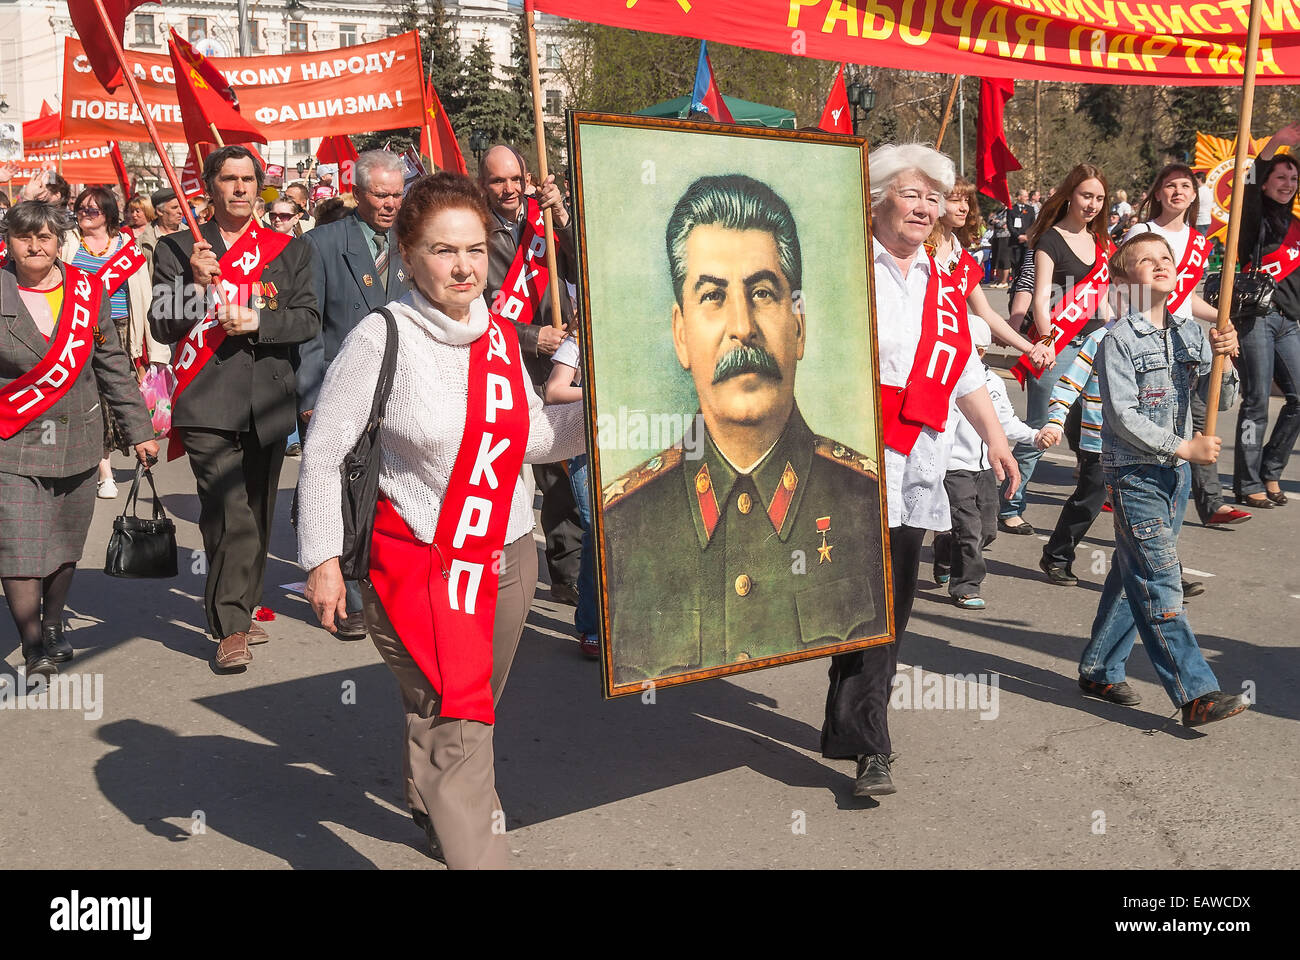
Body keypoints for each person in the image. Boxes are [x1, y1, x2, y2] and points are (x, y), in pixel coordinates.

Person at [297, 172, 584, 868]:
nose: (463, 267)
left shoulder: (494, 336)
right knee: (462, 726)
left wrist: (604, 416)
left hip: (511, 555)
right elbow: (324, 453)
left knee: (454, 706)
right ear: (406, 253)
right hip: (422, 563)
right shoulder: (380, 337)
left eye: (476, 250)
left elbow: (531, 440)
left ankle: (429, 802)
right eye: (442, 250)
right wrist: (321, 560)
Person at [602, 173, 889, 683]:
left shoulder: (863, 500)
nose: (742, 325)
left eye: (762, 292)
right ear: (680, 334)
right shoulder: (627, 519)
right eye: (712, 296)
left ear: (798, 327)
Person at [822, 144, 1019, 798]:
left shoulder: (940, 276)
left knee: (892, 599)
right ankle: (870, 740)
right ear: (878, 198)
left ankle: (852, 720)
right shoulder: (848, 267)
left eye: (933, 197)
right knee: (866, 594)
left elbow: (963, 368)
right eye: (912, 194)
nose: (925, 206)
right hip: (851, 447)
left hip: (918, 456)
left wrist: (995, 438)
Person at [150, 144, 320, 671]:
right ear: (210, 186)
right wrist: (192, 286)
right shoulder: (178, 249)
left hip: (268, 400)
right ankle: (232, 628)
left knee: (254, 514)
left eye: (250, 179)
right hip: (206, 401)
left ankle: (237, 606)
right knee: (230, 511)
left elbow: (308, 320)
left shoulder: (289, 249)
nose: (241, 188)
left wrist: (259, 324)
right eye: (230, 179)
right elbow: (162, 323)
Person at [1079, 231, 1248, 728]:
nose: (1158, 264)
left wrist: (1227, 357)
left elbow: (1223, 400)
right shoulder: (1118, 339)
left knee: (1132, 570)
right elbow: (1123, 414)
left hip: (1173, 478)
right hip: (1135, 475)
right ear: (1125, 277)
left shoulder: (1192, 331)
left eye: (1165, 257)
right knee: (1159, 580)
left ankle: (1099, 667)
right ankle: (1195, 692)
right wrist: (1183, 447)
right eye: (1145, 260)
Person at [0, 201, 157, 680]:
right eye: (24, 237)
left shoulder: (86, 290)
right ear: (8, 242)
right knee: (20, 546)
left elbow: (114, 369)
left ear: (58, 241)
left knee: (65, 544)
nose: (35, 246)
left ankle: (52, 625)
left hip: (80, 438)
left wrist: (140, 432)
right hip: (14, 441)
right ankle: (32, 645)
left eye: (44, 237)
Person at [295, 149, 409, 640]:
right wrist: (311, 394)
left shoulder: (413, 240)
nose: (390, 205)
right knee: (342, 495)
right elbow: (309, 328)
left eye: (397, 195)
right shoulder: (323, 244)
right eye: (380, 195)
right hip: (340, 388)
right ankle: (349, 597)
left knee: (391, 491)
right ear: (358, 193)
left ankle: (390, 588)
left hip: (401, 388)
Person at [479, 144, 584, 604]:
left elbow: (587, 263)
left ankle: (568, 573)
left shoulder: (545, 219)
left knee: (560, 474)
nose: (508, 189)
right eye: (498, 181)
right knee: (502, 473)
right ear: (483, 184)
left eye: (515, 179)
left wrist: (561, 217)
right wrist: (529, 336)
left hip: (558, 360)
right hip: (505, 361)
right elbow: (472, 309)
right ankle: (496, 570)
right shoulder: (475, 232)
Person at [1123, 163, 1250, 527]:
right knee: (1151, 419)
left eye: (1184, 186)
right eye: (1169, 185)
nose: (1177, 191)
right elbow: (1123, 286)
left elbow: (1186, 299)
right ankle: (1116, 488)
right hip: (1147, 336)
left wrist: (1221, 320)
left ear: (1195, 195)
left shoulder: (1197, 242)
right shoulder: (1142, 231)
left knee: (1197, 416)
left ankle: (1211, 504)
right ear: (1158, 193)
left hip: (1185, 338)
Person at [1000, 163, 1111, 535]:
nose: (1092, 204)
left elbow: (1107, 297)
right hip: (1060, 344)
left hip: (1096, 342)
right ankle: (1008, 503)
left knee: (1094, 428)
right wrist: (1045, 339)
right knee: (1042, 428)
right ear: (1069, 196)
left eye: (1099, 198)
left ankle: (1091, 502)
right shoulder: (1050, 239)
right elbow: (1041, 297)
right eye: (1086, 196)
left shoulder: (1101, 241)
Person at [63, 186, 167, 499]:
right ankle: (103, 469)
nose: (84, 213)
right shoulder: (67, 242)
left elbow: (145, 296)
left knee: (121, 397)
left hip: (120, 331)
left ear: (108, 214)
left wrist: (157, 349)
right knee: (94, 400)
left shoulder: (127, 245)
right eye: (81, 208)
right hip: (79, 330)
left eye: (92, 209)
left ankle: (134, 446)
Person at [932, 315, 1038, 608]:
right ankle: (966, 587)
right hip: (954, 468)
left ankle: (944, 549)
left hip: (986, 468)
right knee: (969, 529)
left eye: (974, 350)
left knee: (988, 530)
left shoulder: (992, 382)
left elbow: (1005, 421)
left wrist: (1034, 435)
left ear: (980, 352)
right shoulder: (944, 376)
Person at [1232, 123, 1300, 510]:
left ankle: (1271, 468)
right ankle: (1247, 481)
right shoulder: (1254, 213)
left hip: (1288, 322)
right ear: (1267, 181)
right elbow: (1249, 180)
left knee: (1298, 399)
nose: (1288, 182)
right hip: (1257, 317)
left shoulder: (1296, 224)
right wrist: (1276, 144)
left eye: (1293, 177)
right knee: (1256, 400)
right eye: (1281, 175)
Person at [929, 176, 1055, 372]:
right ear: (934, 200)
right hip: (918, 353)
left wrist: (1031, 349)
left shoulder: (960, 256)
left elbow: (986, 313)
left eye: (967, 201)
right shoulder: (915, 250)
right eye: (956, 200)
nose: (964, 208)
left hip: (949, 354)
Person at [543, 331, 598, 660]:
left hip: (638, 437)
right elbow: (554, 389)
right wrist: (597, 393)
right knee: (597, 532)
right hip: (589, 444)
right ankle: (593, 626)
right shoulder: (581, 337)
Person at [1008, 188, 1036, 283]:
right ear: (1019, 197)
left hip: (1027, 241)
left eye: (1027, 196)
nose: (1026, 198)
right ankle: (1016, 279)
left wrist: (1027, 236)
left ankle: (1024, 280)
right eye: (1025, 196)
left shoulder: (1030, 209)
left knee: (1026, 261)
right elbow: (1010, 225)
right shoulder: (1011, 209)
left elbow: (1033, 224)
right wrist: (1018, 236)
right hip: (1016, 241)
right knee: (1016, 261)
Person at [987, 205, 1012, 286]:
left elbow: (1005, 223)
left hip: (1005, 237)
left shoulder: (1009, 211)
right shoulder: (998, 211)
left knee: (1004, 259)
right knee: (997, 259)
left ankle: (1004, 281)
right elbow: (990, 220)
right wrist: (994, 221)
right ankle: (999, 280)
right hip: (996, 237)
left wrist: (997, 222)